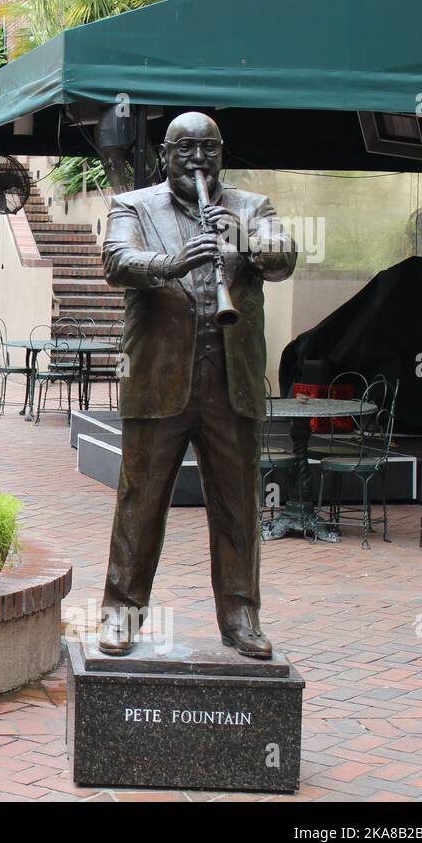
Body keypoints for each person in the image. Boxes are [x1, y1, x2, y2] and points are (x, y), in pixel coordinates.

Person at [97, 112, 297, 660]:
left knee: (237, 507)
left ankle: (241, 616)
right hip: (158, 383)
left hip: (229, 385)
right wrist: (171, 261)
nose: (198, 160)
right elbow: (116, 261)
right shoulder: (134, 206)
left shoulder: (251, 207)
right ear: (165, 155)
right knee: (140, 504)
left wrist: (239, 237)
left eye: (208, 149)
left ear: (222, 153)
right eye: (185, 150)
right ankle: (121, 613)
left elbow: (283, 255)